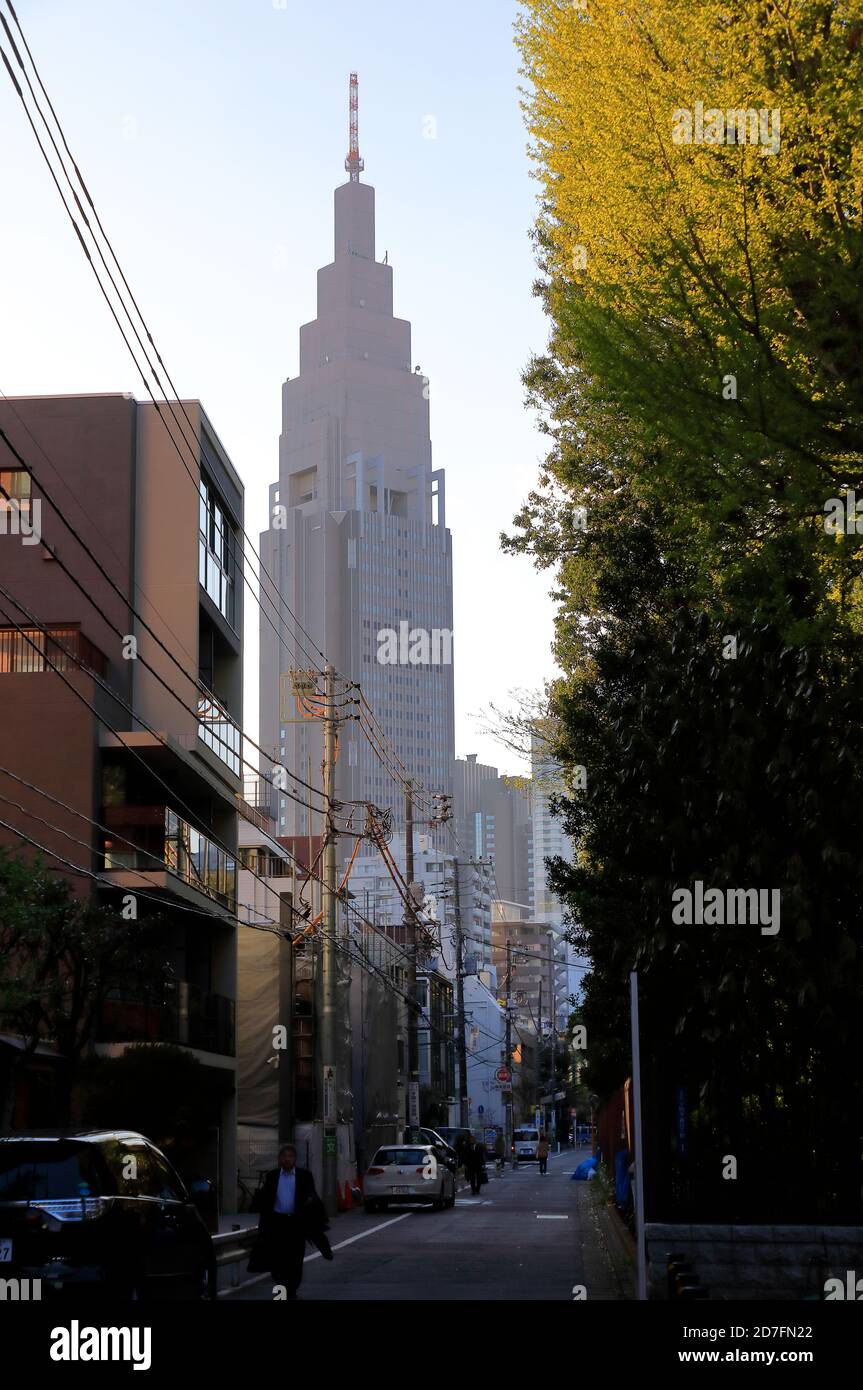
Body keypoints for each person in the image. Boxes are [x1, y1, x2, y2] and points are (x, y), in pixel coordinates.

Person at [248, 1143, 333, 1298]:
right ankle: (282, 1287)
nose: (287, 1159)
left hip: (296, 1223)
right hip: (277, 1223)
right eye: (284, 1156)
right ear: (280, 1159)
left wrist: (309, 1201)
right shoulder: (272, 1176)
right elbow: (266, 1198)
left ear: (295, 1159)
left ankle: (291, 1289)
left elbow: (313, 1195)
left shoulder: (304, 1176)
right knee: (277, 1259)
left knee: (295, 1258)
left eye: (290, 1156)